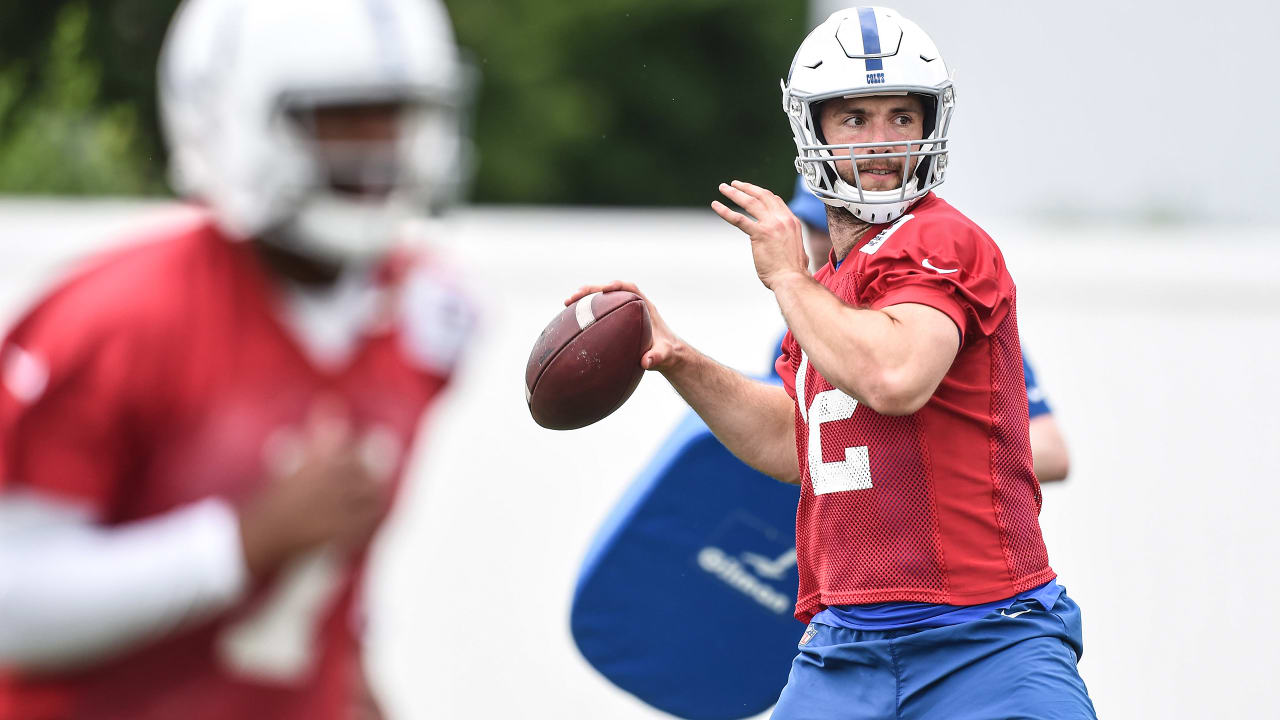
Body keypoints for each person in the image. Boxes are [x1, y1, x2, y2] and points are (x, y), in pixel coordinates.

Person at [567, 7, 1095, 718]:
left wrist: (786, 279)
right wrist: (679, 358)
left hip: (986, 642)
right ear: (812, 129)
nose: (879, 143)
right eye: (854, 119)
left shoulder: (943, 239)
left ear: (929, 124)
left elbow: (894, 378)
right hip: (843, 649)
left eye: (900, 117)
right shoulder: (827, 294)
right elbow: (796, 443)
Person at [0, 1, 474, 718]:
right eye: (343, 115)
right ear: (235, 116)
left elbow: (323, 602)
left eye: (396, 114)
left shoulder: (428, 313)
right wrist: (239, 546)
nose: (381, 145)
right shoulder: (120, 319)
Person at [788, 177, 1071, 482]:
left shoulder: (942, 320)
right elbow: (792, 445)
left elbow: (1051, 451)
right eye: (814, 226)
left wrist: (915, 458)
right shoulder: (795, 334)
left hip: (944, 523)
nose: (822, 240)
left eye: (829, 222)